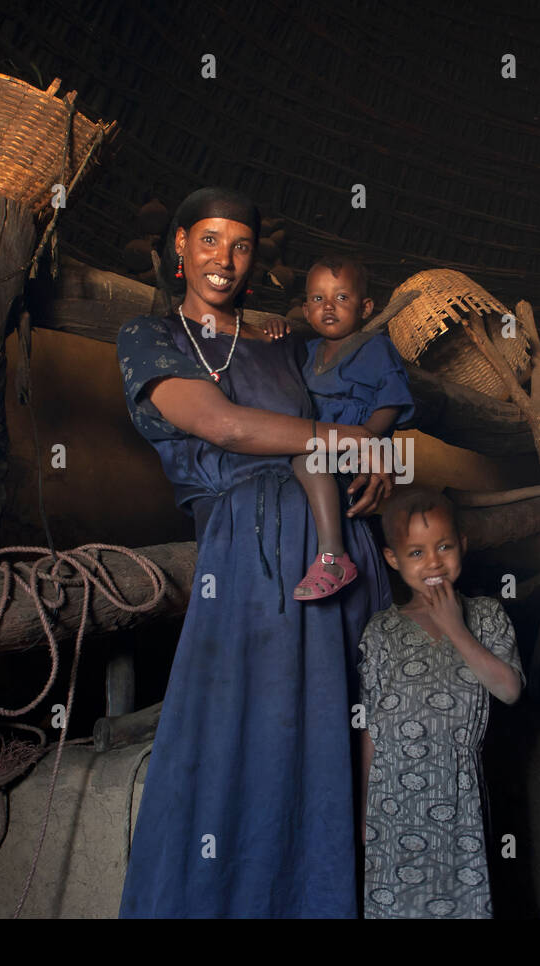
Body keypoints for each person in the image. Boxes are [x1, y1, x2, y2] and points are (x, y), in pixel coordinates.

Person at [114, 187, 394, 917]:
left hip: (343, 553)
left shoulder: (284, 341)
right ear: (180, 246)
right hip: (253, 555)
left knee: (348, 741)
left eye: (240, 246)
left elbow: (352, 401)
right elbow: (228, 427)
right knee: (262, 742)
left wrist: (376, 449)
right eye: (209, 240)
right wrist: (350, 442)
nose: (224, 259)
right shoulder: (149, 338)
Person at [358, 487, 524, 918]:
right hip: (390, 800)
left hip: (458, 790)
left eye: (444, 546)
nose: (433, 561)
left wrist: (455, 627)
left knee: (464, 902)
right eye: (416, 552)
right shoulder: (380, 631)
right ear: (393, 559)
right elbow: (369, 729)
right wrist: (361, 806)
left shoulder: (486, 615)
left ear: (462, 545)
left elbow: (508, 689)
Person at [264, 256, 415, 602]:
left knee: (305, 460)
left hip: (356, 451)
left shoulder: (376, 347)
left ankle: (334, 557)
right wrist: (274, 325)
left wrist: (368, 442)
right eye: (317, 299)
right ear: (304, 309)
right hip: (320, 443)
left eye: (341, 298)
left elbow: (390, 401)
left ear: (365, 307)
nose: (328, 306)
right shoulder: (308, 351)